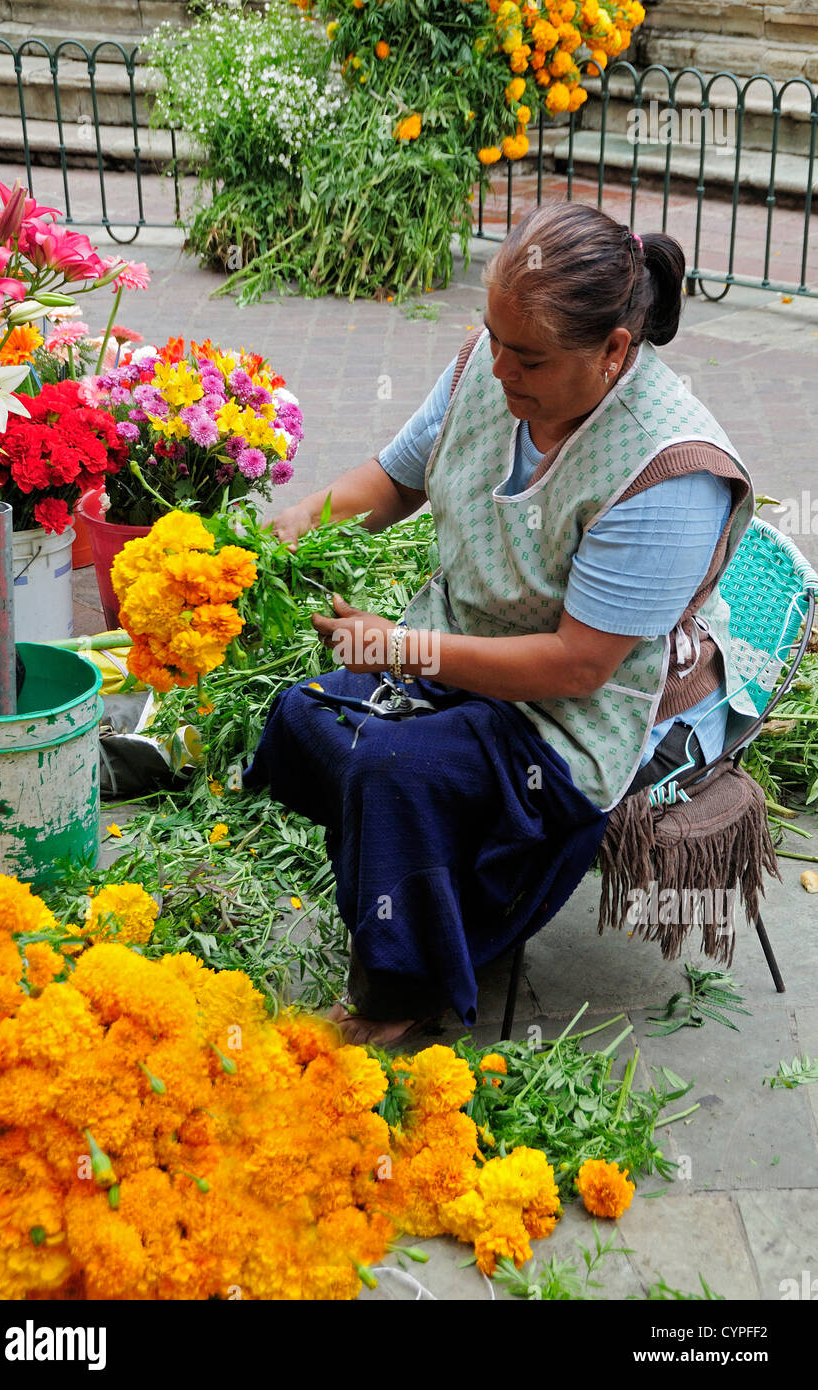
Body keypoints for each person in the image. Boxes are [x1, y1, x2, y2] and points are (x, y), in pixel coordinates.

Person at [243, 202, 755, 1047]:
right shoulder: (491, 363)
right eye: (493, 339)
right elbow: (395, 480)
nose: (499, 369)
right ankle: (430, 899)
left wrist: (398, 650)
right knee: (307, 717)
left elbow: (574, 665)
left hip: (571, 717)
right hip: (460, 646)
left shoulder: (666, 470)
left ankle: (401, 989)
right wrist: (288, 530)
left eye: (528, 358)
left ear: (614, 352)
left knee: (394, 769)